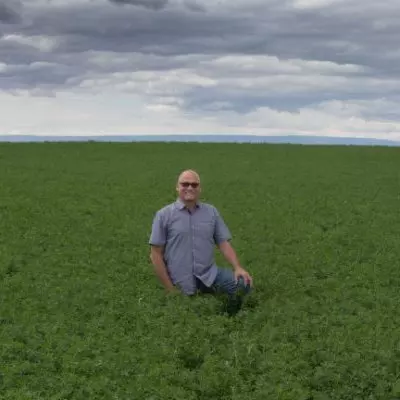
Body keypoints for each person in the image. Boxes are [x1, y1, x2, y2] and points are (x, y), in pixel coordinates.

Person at [149, 169, 253, 312]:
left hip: (208, 274)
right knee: (181, 313)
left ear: (200, 189)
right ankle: (191, 303)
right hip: (179, 279)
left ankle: (228, 316)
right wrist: (170, 289)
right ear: (177, 187)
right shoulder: (164, 215)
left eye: (194, 184)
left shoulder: (211, 212)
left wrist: (237, 267)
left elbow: (223, 242)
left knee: (243, 284)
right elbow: (155, 254)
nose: (190, 187)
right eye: (185, 184)